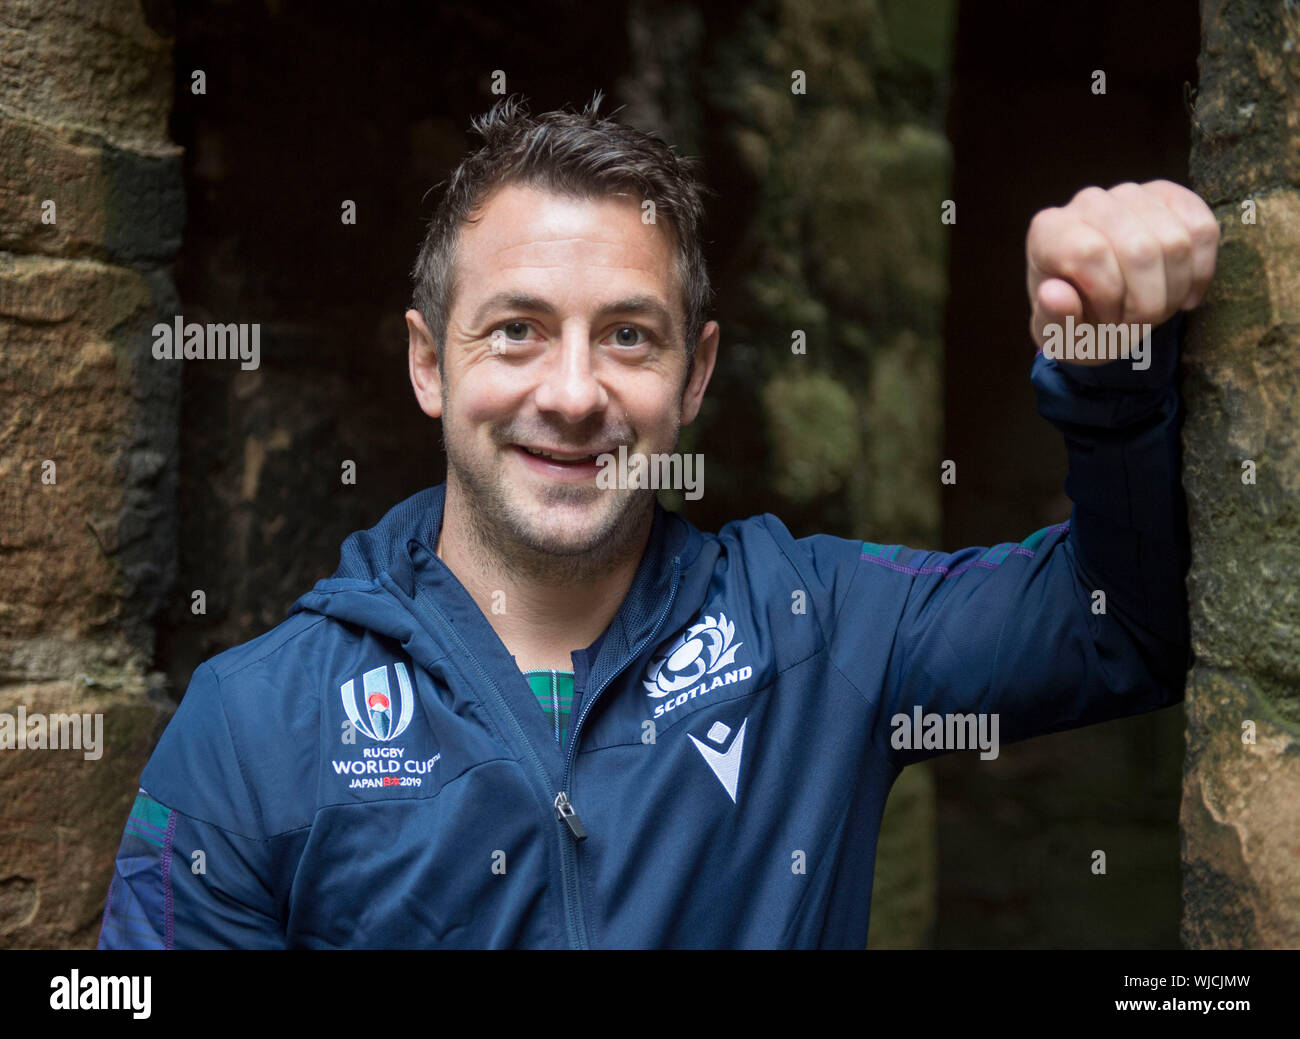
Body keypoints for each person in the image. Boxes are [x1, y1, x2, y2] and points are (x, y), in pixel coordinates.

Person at [97, 95, 1218, 949]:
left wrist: (1109, 373)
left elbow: (1125, 628)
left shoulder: (816, 630)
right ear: (428, 363)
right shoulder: (252, 725)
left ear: (696, 376)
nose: (575, 393)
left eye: (630, 335)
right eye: (517, 331)